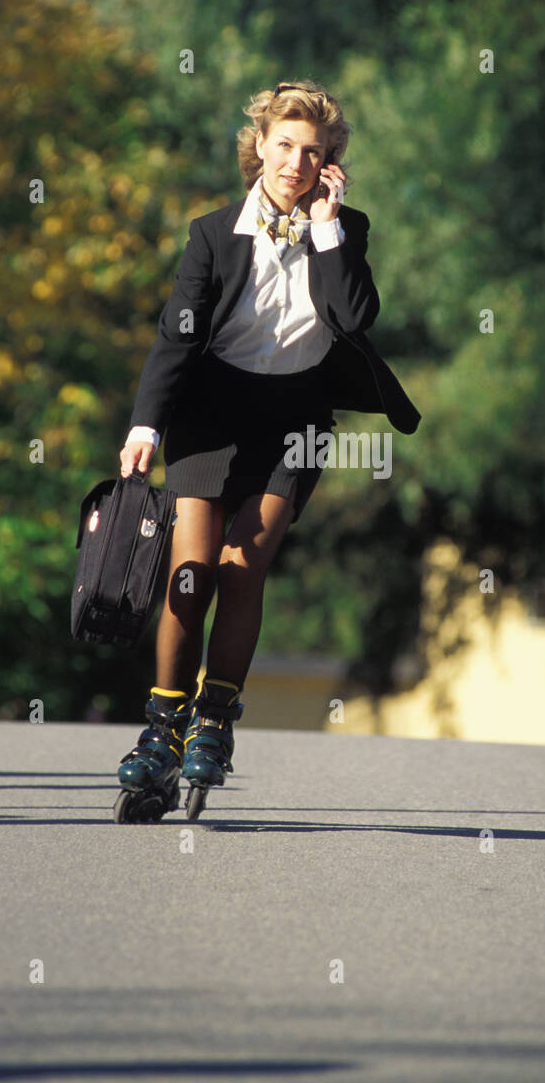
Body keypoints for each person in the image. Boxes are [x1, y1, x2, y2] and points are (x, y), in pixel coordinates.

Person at [114, 79, 421, 819]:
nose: (294, 162)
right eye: (283, 145)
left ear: (329, 166)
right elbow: (175, 339)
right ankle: (160, 730)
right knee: (191, 573)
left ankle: (214, 722)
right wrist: (145, 426)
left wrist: (328, 229)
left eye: (312, 153)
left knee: (242, 566)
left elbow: (354, 316)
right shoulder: (213, 234)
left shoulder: (344, 229)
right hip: (211, 414)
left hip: (294, 420)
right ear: (259, 147)